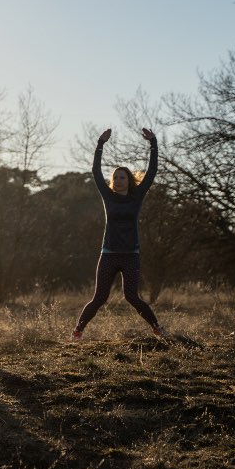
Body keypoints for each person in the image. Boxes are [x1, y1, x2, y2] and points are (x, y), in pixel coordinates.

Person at [72, 128, 163, 339]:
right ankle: (77, 331)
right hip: (109, 254)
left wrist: (153, 144)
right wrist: (100, 144)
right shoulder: (108, 196)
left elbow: (152, 172)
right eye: (116, 177)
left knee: (132, 297)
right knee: (99, 298)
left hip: (131, 254)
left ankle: (157, 328)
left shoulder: (137, 195)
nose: (119, 180)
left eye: (123, 177)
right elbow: (95, 172)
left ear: (129, 180)